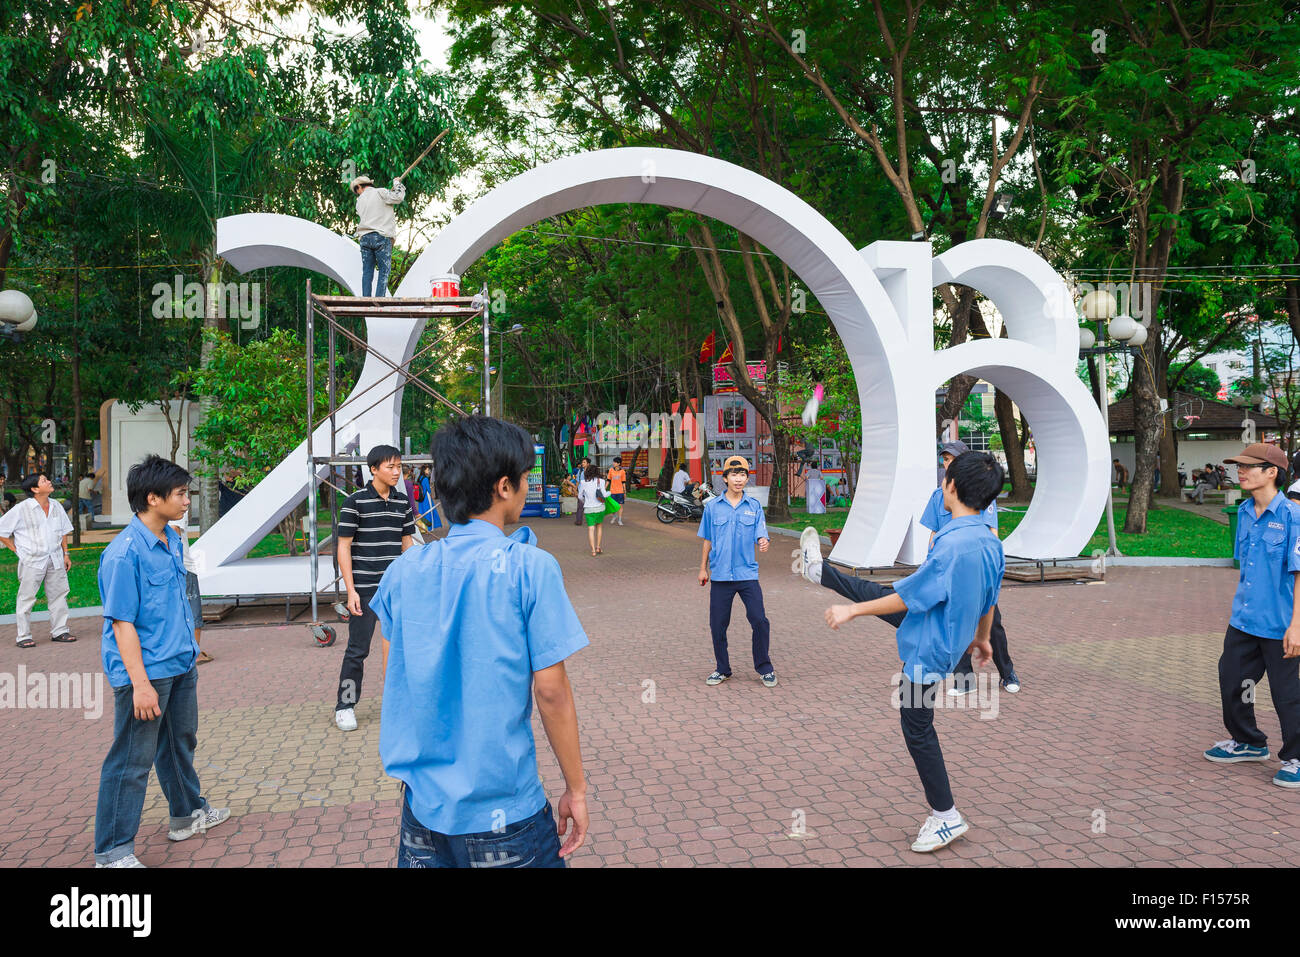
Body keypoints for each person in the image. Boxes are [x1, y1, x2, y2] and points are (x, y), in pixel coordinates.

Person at [372, 415, 589, 867]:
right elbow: (551, 692)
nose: (528, 487)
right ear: (504, 487)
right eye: (526, 478)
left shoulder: (402, 573)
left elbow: (399, 677)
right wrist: (576, 788)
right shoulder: (531, 568)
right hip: (507, 813)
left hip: (423, 811)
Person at [795, 451, 1005, 852]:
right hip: (948, 632)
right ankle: (819, 571)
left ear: (952, 488)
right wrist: (982, 638)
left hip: (930, 646)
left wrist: (852, 612)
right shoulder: (989, 543)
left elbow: (908, 599)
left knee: (918, 727)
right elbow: (989, 600)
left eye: (945, 478)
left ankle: (945, 815)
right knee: (878, 592)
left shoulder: (951, 549)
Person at [94, 456, 229, 867]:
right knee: (131, 762)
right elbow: (122, 625)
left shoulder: (172, 538)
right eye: (180, 494)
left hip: (179, 662)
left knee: (178, 744)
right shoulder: (124, 554)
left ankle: (186, 815)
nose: (187, 501)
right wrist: (139, 684)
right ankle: (113, 851)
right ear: (152, 499)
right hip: (146, 674)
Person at [1203, 443, 1300, 788]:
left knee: (1286, 694)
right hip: (1244, 621)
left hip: (1282, 624)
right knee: (1234, 681)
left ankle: (1296, 756)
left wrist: (1297, 626)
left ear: (1272, 472)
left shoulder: (1293, 516)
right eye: (1238, 466)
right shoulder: (1244, 511)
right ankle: (1249, 741)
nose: (1240, 472)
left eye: (1249, 466)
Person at [923, 440, 1019, 696]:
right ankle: (964, 680)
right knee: (954, 624)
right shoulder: (939, 495)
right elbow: (934, 532)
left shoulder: (980, 495)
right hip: (947, 568)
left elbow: (991, 531)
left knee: (992, 623)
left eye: (952, 460)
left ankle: (1007, 672)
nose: (947, 465)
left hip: (975, 569)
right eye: (944, 460)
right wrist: (929, 563)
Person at [333, 444, 416, 732]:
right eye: (391, 467)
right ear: (373, 469)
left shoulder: (402, 504)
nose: (397, 472)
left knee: (401, 650)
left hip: (395, 589)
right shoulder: (354, 503)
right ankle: (344, 706)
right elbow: (343, 547)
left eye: (399, 467)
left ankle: (400, 704)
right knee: (357, 650)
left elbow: (407, 544)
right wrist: (351, 590)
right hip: (365, 589)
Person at [698, 455, 775, 688]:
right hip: (720, 576)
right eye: (734, 475)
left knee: (759, 620)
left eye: (742, 475)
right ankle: (722, 669)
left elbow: (762, 534)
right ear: (725, 478)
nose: (739, 479)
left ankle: (764, 667)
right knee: (718, 625)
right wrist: (703, 569)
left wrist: (763, 541)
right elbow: (707, 541)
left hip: (747, 575)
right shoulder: (712, 508)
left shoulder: (754, 507)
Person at [0, 472, 75, 648]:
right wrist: (17, 551)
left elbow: (63, 531)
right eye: (44, 481)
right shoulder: (22, 508)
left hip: (55, 558)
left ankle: (60, 631)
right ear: (35, 489)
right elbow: (2, 531)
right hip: (32, 561)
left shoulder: (56, 506)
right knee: (26, 598)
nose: (49, 481)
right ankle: (23, 636)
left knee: (59, 596)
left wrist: (66, 554)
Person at [168, 509, 212, 665]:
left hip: (170, 567)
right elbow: (174, 530)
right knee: (193, 611)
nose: (186, 501)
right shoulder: (176, 504)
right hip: (183, 567)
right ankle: (194, 653)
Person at [351, 174, 406, 297]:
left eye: (356, 190)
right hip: (381, 236)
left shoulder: (359, 202)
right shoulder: (380, 192)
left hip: (364, 238)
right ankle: (380, 298)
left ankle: (366, 298)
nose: (357, 193)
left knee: (367, 271)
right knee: (384, 270)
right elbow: (398, 197)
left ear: (359, 186)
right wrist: (397, 183)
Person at [578, 463, 608, 557]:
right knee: (599, 526)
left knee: (591, 529)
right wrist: (610, 492)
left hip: (588, 509)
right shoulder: (601, 481)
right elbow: (605, 494)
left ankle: (593, 551)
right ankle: (598, 547)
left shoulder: (583, 483)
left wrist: (585, 501)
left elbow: (580, 496)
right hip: (600, 508)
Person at [606, 455, 627, 527]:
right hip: (612, 491)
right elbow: (608, 481)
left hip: (620, 491)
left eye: (615, 462)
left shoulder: (622, 472)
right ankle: (614, 516)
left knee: (620, 506)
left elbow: (623, 482)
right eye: (613, 462)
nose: (613, 463)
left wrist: (624, 492)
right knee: (613, 506)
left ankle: (620, 520)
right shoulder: (611, 470)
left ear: (619, 463)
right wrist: (604, 489)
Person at [418, 464, 440, 529]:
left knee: (422, 511)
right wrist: (430, 494)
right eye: (427, 470)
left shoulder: (420, 478)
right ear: (424, 470)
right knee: (428, 511)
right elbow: (428, 489)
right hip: (426, 497)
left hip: (420, 497)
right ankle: (429, 527)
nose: (429, 471)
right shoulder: (425, 478)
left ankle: (422, 527)